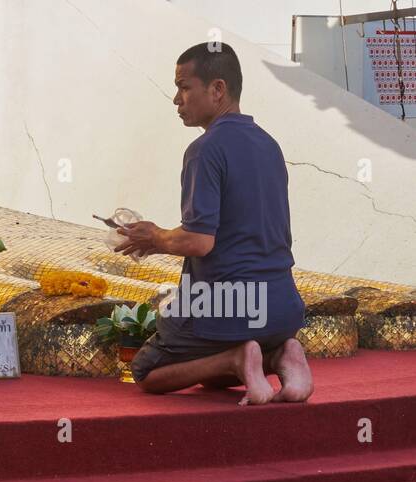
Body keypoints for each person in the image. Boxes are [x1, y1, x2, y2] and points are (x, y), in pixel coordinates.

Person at [115, 43, 313, 406]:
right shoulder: (269, 145)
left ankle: (238, 358)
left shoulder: (205, 149)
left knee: (146, 373)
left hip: (228, 307)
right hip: (282, 308)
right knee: (211, 382)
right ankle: (280, 355)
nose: (177, 99)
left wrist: (154, 235)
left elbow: (199, 242)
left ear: (217, 89)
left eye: (185, 87)